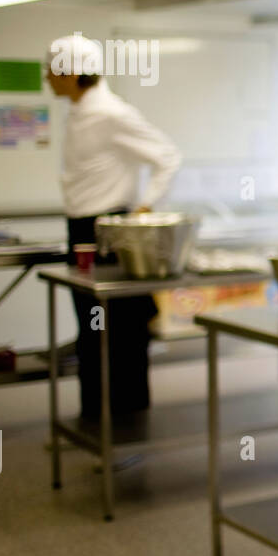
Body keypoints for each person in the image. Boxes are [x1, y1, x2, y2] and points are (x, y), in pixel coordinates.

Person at [45, 34, 181, 421]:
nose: (46, 79)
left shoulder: (110, 112)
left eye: (50, 72)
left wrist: (143, 208)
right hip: (82, 231)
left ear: (70, 74)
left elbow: (167, 156)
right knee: (91, 330)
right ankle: (95, 415)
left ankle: (126, 419)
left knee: (120, 332)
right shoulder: (78, 110)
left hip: (107, 230)